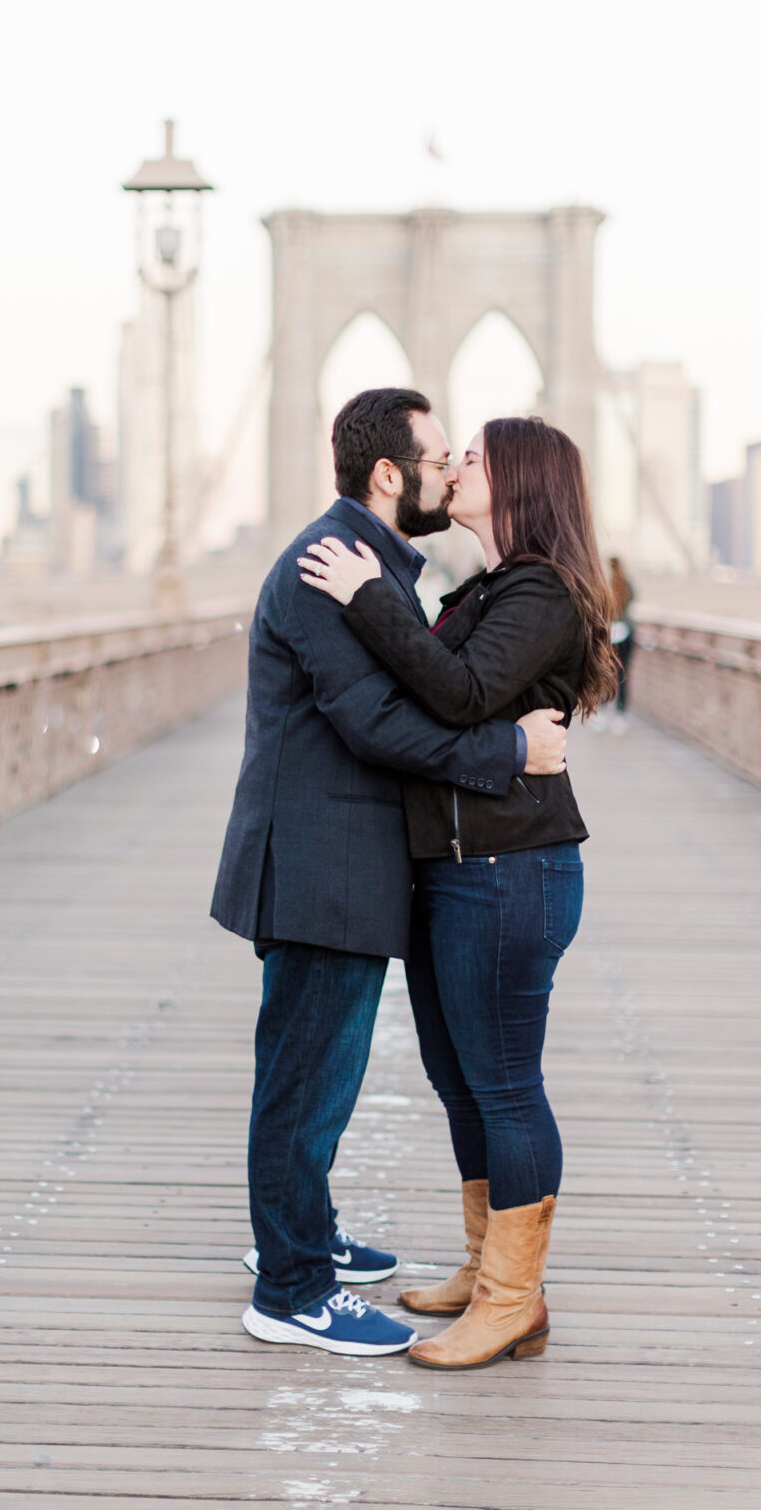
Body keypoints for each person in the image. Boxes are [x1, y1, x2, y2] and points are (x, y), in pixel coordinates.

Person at [211, 389, 569, 1358]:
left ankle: (305, 1237)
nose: (450, 469)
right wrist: (507, 749)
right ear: (388, 474)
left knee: (317, 1071)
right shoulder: (329, 566)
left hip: (342, 864)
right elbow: (374, 720)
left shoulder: (371, 566)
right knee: (306, 1080)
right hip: (317, 868)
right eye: (438, 454)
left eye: (466, 459)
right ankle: (290, 1288)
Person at [298, 414, 617, 1369]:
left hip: (510, 872)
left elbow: (460, 690)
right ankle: (487, 1270)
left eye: (473, 455)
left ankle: (516, 1300)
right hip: (458, 868)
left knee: (507, 1085)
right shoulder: (487, 586)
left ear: (520, 480)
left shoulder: (543, 593)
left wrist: (365, 594)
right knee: (459, 1077)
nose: (455, 465)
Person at [608, 555, 635, 728]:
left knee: (606, 673)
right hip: (626, 630)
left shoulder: (606, 585)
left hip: (610, 633)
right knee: (623, 674)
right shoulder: (628, 585)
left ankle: (602, 712)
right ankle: (620, 714)